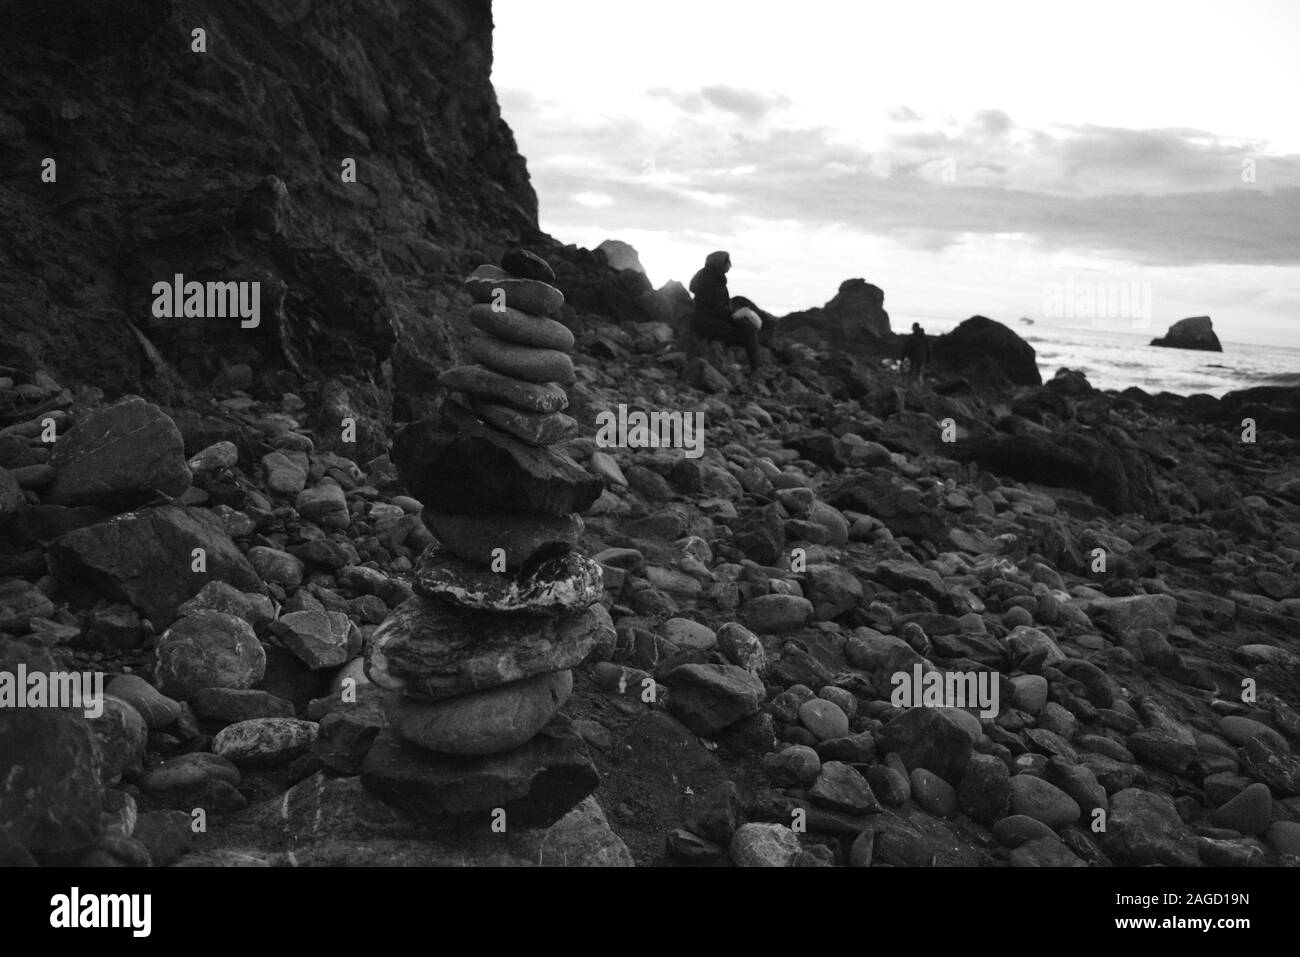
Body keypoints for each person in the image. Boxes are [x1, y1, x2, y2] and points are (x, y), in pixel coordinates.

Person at [688, 250, 768, 370]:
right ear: (719, 263)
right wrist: (734, 314)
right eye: (728, 262)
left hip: (710, 320)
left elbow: (718, 306)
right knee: (749, 333)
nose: (730, 265)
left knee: (746, 327)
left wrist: (734, 314)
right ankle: (756, 369)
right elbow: (714, 307)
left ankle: (755, 367)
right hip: (707, 324)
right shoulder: (709, 280)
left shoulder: (713, 277)